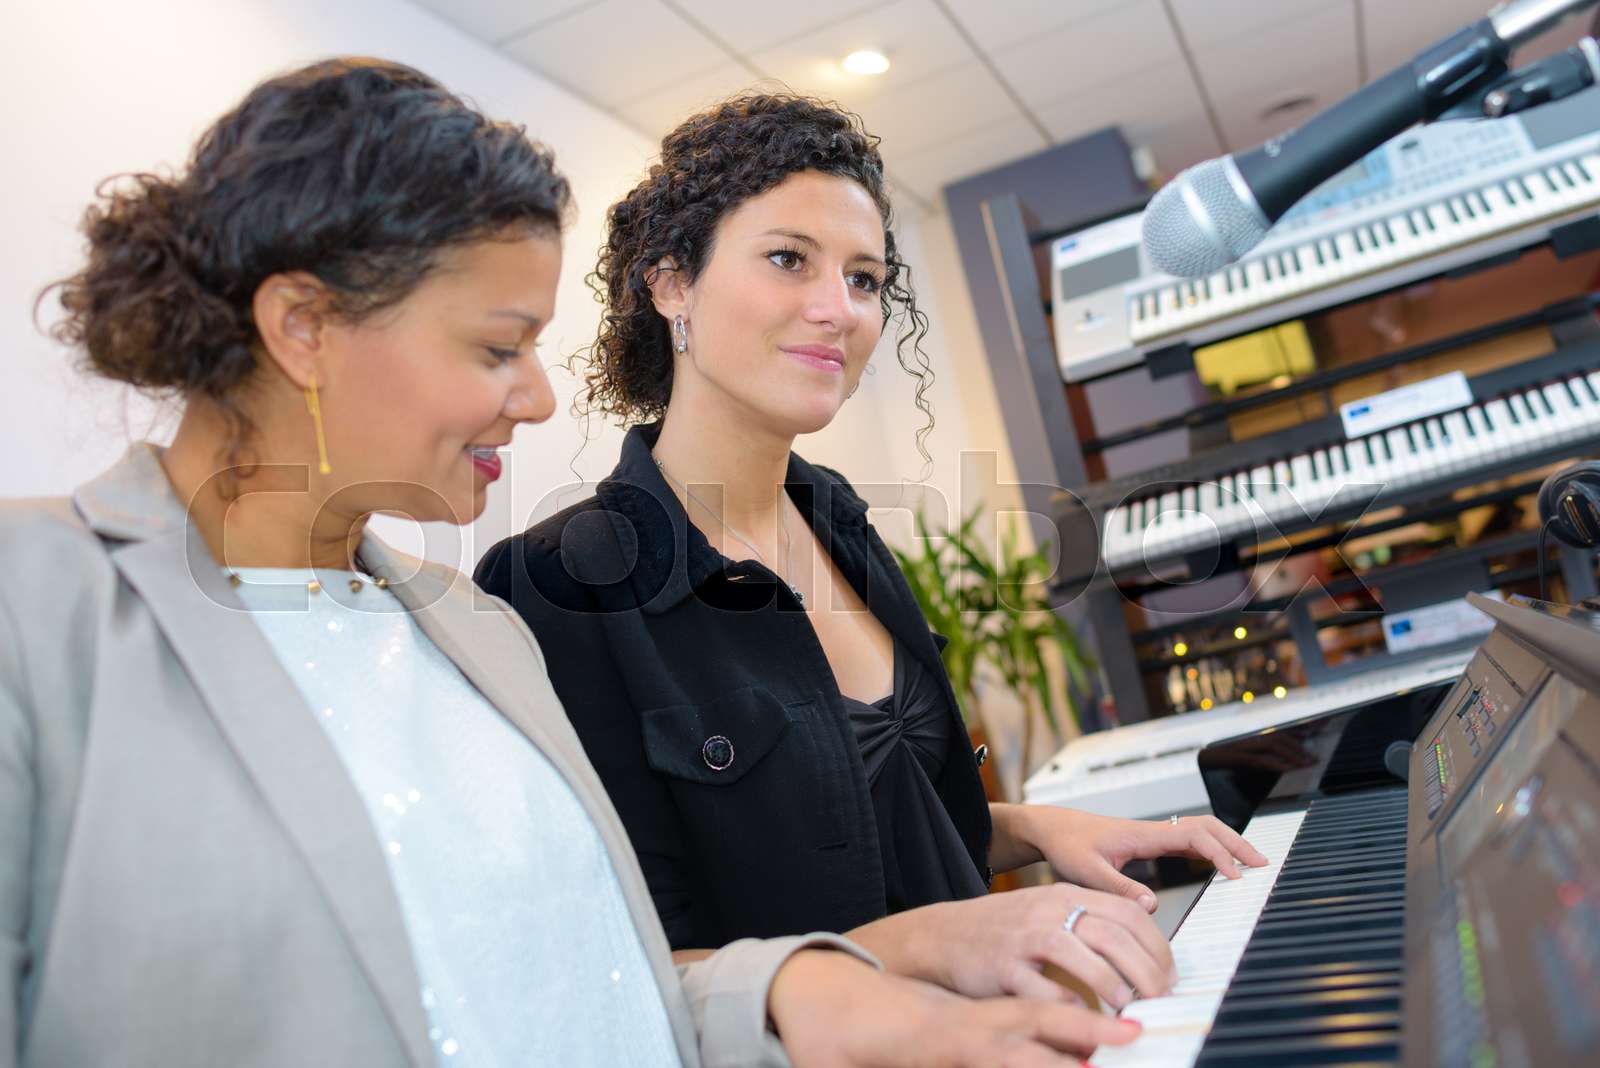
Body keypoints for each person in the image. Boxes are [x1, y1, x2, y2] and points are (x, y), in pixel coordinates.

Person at [0, 59, 1142, 1067]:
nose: (540, 396)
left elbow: (594, 983)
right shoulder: (36, 606)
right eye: (499, 347)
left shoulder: (465, 635)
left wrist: (843, 973)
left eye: (861, 277)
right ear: (303, 324)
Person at [477, 93, 1268, 1012]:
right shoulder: (562, 586)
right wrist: (940, 939)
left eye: (864, 279)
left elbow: (868, 822)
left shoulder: (840, 523)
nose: (839, 310)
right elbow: (627, 966)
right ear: (670, 285)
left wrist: (1036, 828)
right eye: (787, 260)